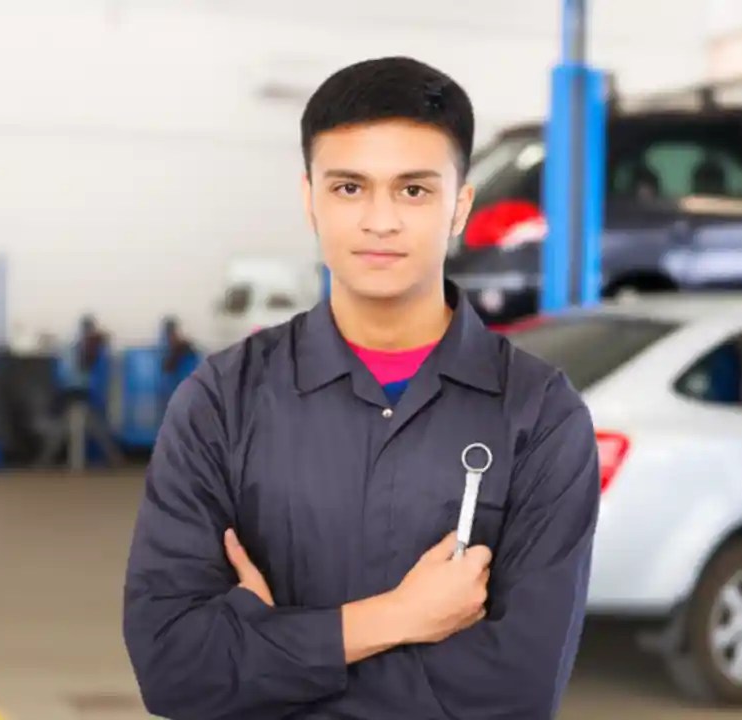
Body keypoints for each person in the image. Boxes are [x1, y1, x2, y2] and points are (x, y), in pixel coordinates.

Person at [122, 56, 600, 719]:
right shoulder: (221, 402)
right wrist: (397, 618)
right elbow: (174, 668)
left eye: (413, 190)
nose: (380, 220)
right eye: (350, 188)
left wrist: (270, 654)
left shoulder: (540, 418)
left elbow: (516, 693)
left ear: (460, 205)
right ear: (309, 198)